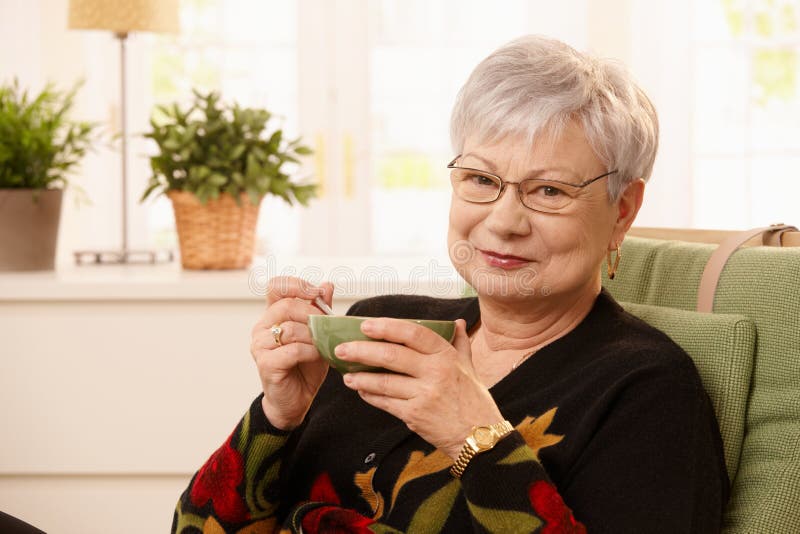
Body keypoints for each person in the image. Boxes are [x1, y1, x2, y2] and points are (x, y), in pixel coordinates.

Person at [172, 35, 729, 533]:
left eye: (550, 191)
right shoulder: (384, 325)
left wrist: (476, 437)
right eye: (482, 179)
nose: (504, 221)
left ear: (623, 210)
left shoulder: (647, 390)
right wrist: (280, 414)